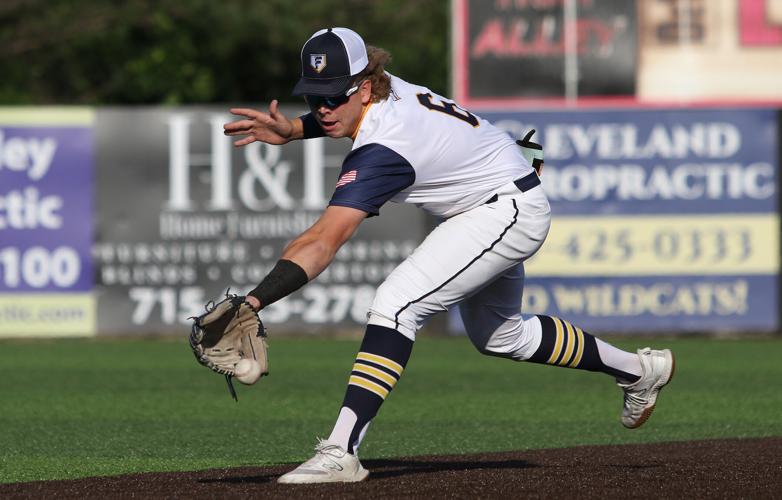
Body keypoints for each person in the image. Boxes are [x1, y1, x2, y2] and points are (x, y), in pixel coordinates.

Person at [223, 27, 675, 484]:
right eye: (314, 97)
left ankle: (342, 450)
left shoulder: (384, 148)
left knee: (396, 305)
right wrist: (297, 128)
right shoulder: (381, 87)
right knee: (501, 337)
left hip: (504, 208)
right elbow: (339, 113)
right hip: (496, 193)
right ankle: (640, 370)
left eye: (332, 98)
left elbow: (323, 241)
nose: (323, 108)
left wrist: (252, 303)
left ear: (363, 86)